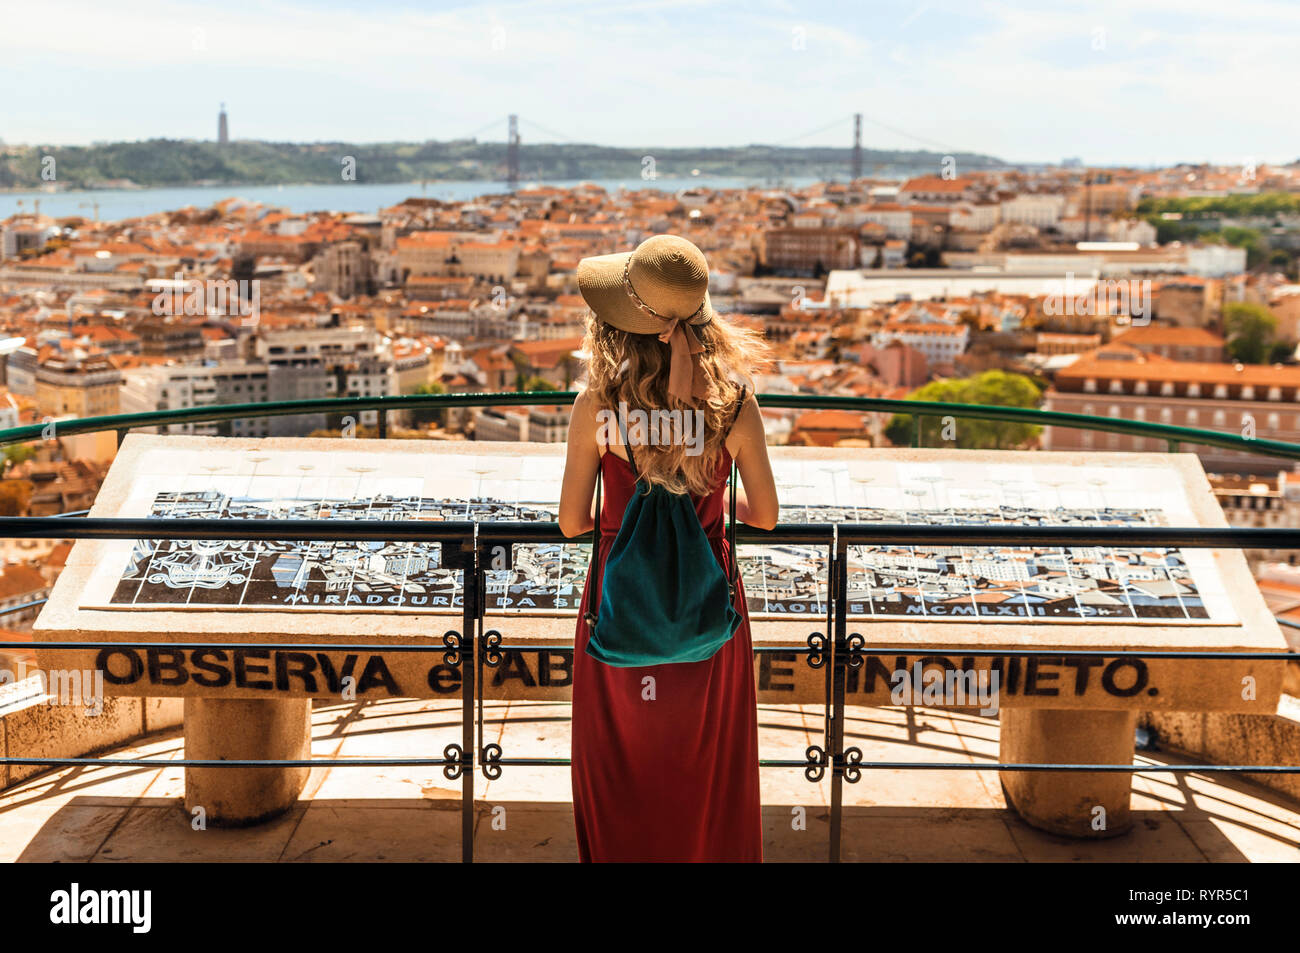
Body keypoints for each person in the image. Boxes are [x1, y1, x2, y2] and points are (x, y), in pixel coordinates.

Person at [558, 234, 779, 862]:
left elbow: (572, 522)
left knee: (621, 766)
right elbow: (764, 515)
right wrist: (701, 514)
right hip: (708, 607)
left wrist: (632, 521)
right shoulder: (733, 405)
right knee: (707, 767)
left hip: (619, 604)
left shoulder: (597, 406)